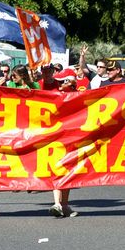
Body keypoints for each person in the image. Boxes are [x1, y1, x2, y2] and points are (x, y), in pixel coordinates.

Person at [48, 68, 79, 218]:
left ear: (70, 82)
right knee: (58, 169)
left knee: (69, 172)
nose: (59, 84)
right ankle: (57, 203)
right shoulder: (54, 95)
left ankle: (65, 204)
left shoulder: (81, 96)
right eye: (58, 81)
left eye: (62, 81)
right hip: (56, 140)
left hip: (74, 140)